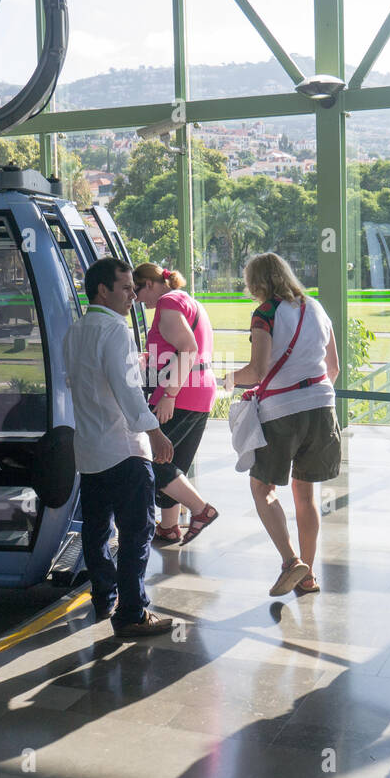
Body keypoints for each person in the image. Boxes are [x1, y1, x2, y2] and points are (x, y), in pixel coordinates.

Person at [62, 258, 175, 639]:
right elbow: (127, 389)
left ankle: (103, 597)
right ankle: (131, 612)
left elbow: (71, 380)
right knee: (137, 532)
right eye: (126, 288)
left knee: (96, 531)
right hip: (125, 450)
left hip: (90, 452)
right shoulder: (115, 329)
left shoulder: (75, 331)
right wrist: (154, 431)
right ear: (102, 291)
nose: (133, 296)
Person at [227, 252, 340, 598]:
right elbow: (333, 367)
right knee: (305, 495)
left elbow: (257, 372)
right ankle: (308, 575)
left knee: (262, 488)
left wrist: (226, 379)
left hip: (282, 412)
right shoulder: (316, 307)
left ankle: (291, 562)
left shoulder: (265, 314)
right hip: (323, 406)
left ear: (257, 283)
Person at [133, 262, 219, 546]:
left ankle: (200, 510)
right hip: (201, 392)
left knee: (151, 459)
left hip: (180, 393)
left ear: (148, 284)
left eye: (137, 291)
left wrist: (168, 395)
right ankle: (169, 527)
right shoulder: (189, 301)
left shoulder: (168, 303)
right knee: (174, 463)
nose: (137, 299)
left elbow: (188, 349)